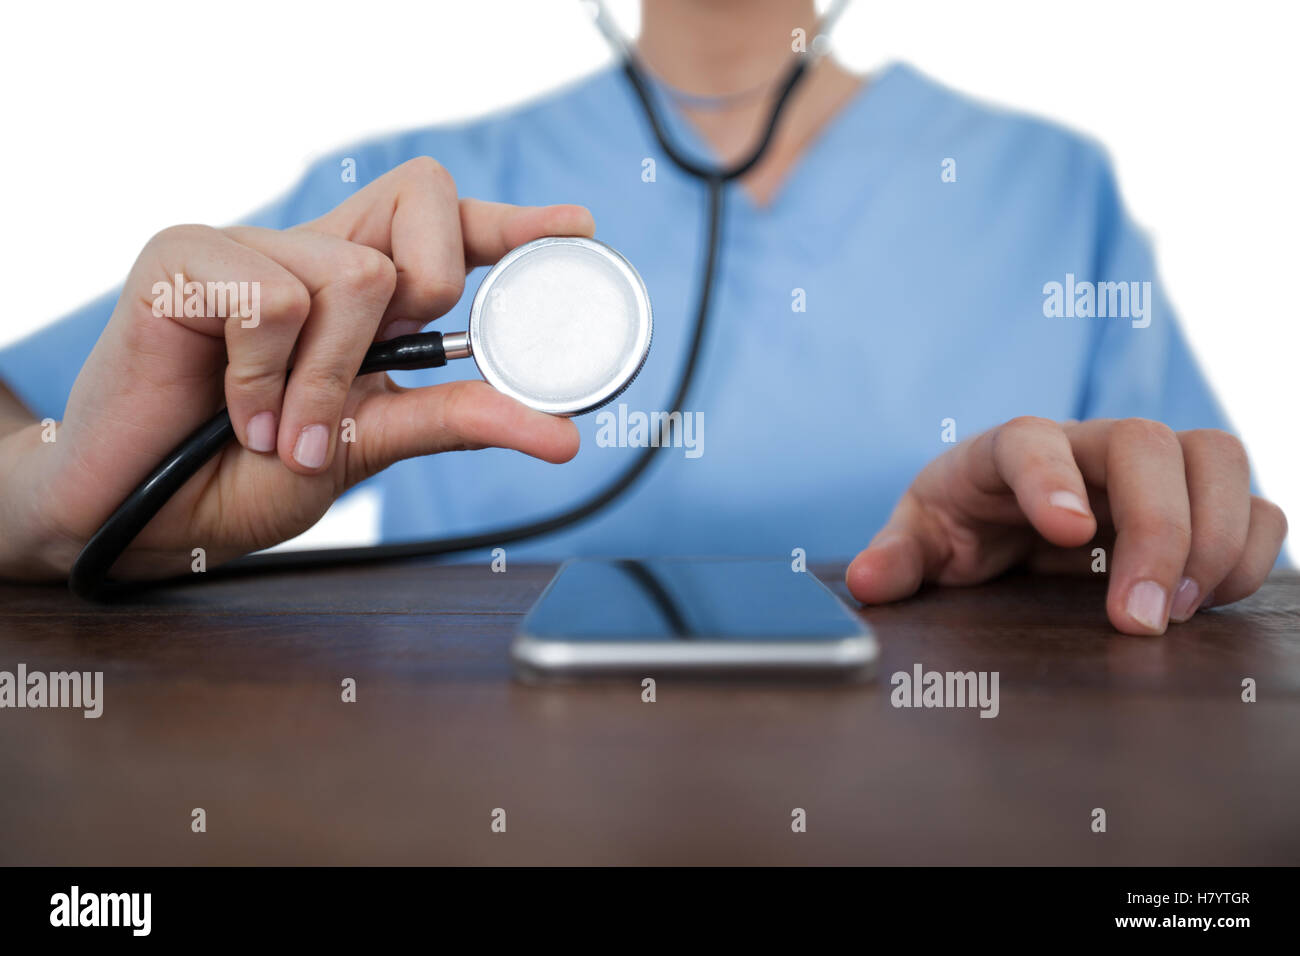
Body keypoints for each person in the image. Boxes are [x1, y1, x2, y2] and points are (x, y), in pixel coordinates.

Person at [0, 0, 1285, 636]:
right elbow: (30, 415)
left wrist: (1124, 543)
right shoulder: (402, 190)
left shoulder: (1049, 185)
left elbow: (1213, 561)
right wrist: (52, 499)